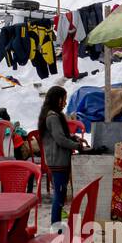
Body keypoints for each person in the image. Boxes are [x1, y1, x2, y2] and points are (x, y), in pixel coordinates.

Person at [38, 84, 87, 226]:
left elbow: (61, 134)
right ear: (56, 99)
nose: (65, 103)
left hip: (57, 160)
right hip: (58, 161)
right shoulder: (52, 117)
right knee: (59, 195)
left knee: (60, 194)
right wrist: (77, 146)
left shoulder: (51, 115)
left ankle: (57, 223)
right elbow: (60, 139)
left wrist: (75, 138)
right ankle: (55, 225)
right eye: (63, 99)